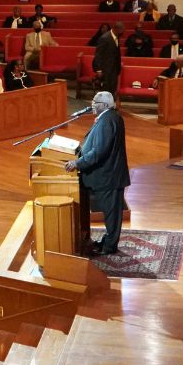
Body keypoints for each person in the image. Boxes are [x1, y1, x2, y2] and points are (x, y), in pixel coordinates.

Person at [66, 91, 129, 256]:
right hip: (111, 174)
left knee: (111, 214)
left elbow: (99, 151)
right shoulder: (110, 117)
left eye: (95, 103)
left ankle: (110, 246)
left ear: (105, 106)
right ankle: (109, 242)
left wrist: (77, 163)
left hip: (109, 175)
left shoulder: (107, 121)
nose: (92, 105)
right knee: (112, 213)